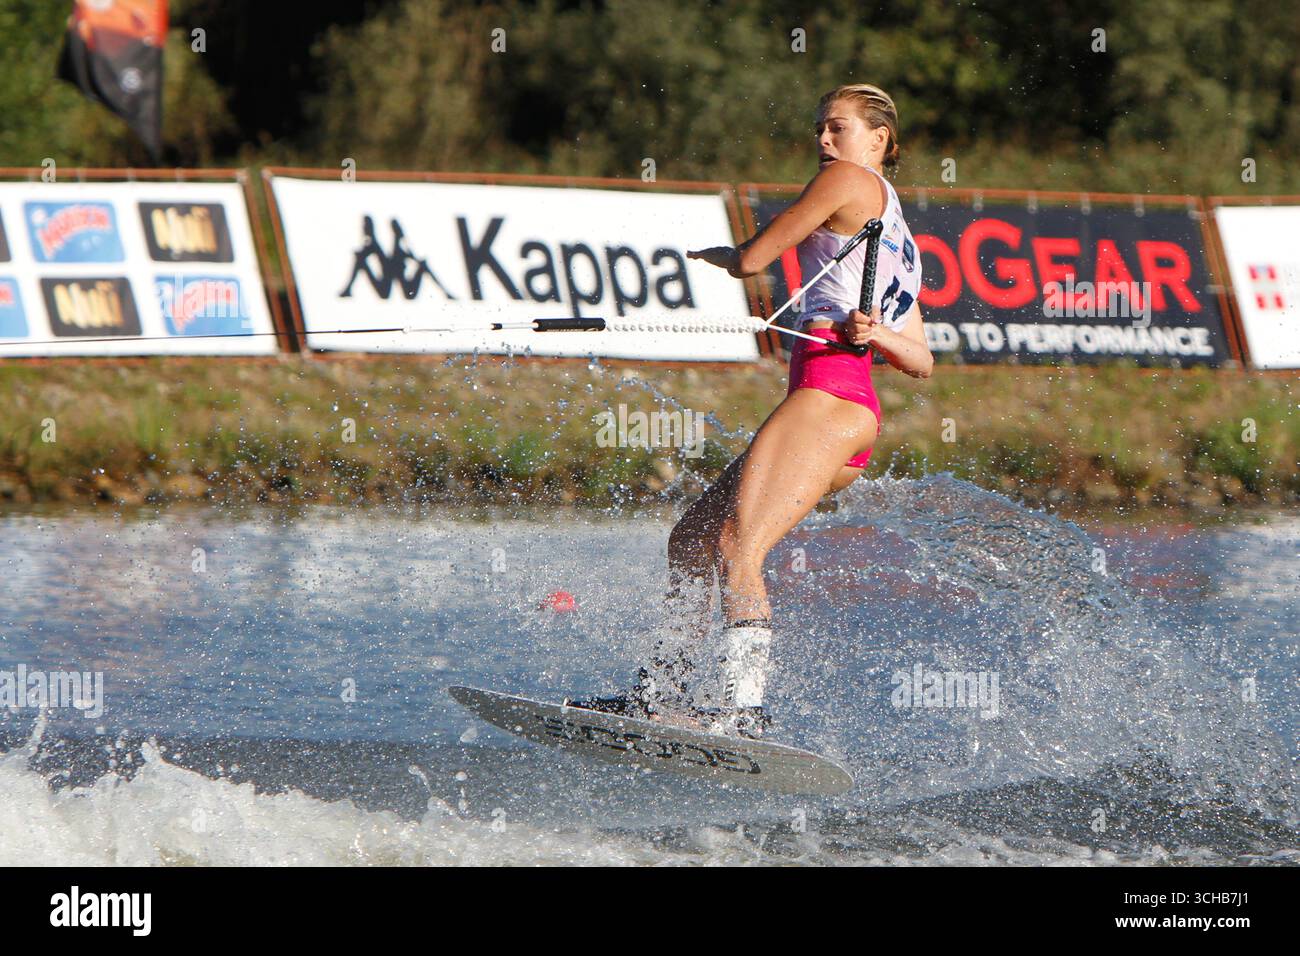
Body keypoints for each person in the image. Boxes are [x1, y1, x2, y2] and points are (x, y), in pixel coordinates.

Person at [575, 84, 934, 737]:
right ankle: (662, 691)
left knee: (740, 549)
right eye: (819, 130)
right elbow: (924, 360)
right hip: (846, 415)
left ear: (879, 139)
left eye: (838, 128)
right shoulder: (901, 227)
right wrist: (879, 334)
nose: (824, 142)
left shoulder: (849, 181)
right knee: (691, 541)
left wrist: (724, 258)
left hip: (829, 400)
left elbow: (753, 259)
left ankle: (744, 712)